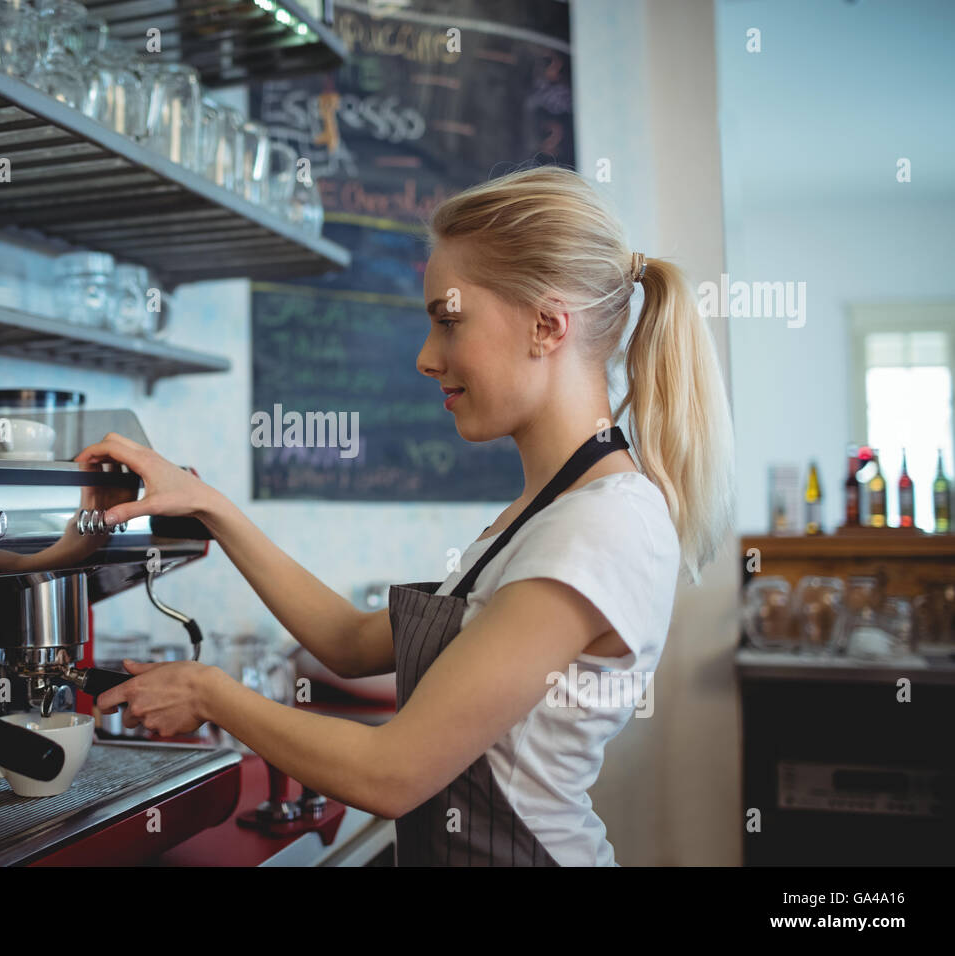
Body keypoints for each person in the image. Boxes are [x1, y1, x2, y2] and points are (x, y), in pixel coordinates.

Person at [82, 165, 735, 866]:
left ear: (547, 326)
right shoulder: (550, 510)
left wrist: (209, 692)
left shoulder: (601, 526)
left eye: (449, 322)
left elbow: (391, 771)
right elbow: (350, 641)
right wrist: (211, 507)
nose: (427, 359)